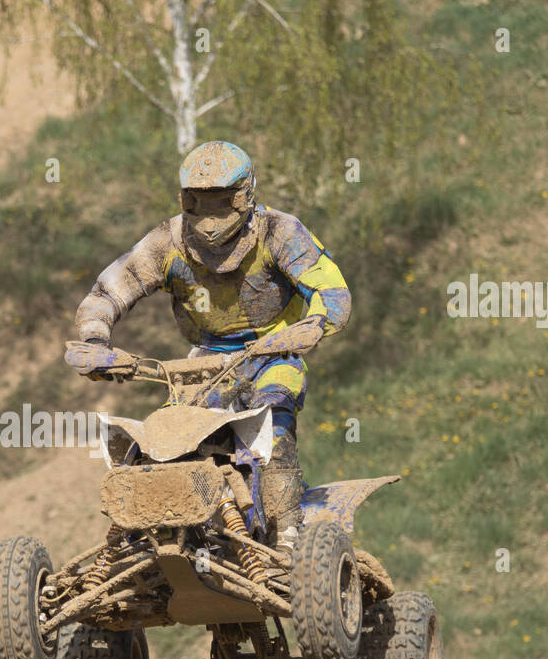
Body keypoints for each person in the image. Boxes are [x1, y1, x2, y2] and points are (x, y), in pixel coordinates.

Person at [70, 140, 351, 549]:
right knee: (165, 442)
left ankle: (287, 535)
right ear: (184, 199)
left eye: (222, 201)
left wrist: (316, 323)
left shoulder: (280, 232)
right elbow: (107, 293)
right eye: (198, 202)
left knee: (273, 422)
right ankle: (146, 538)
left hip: (274, 352)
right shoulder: (167, 241)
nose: (209, 218)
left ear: (245, 195)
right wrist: (96, 342)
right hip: (203, 362)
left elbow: (331, 288)